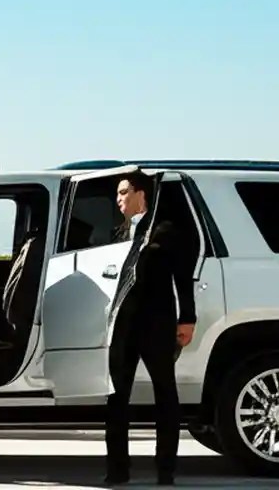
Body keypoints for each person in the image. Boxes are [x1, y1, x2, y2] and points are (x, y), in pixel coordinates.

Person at [103, 171, 197, 486]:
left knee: (165, 394)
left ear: (142, 193)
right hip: (122, 325)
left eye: (124, 192)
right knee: (116, 396)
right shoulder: (116, 234)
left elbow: (182, 276)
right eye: (116, 194)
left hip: (157, 322)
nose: (119, 200)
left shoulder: (166, 231)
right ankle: (117, 471)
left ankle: (166, 470)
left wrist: (188, 317)